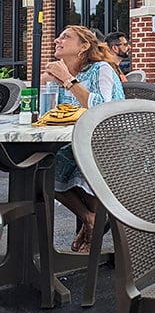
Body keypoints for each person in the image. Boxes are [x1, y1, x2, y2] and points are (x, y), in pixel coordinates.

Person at [45, 25, 125, 253]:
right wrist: (47, 82)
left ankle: (94, 224)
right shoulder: (61, 77)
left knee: (77, 162)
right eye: (58, 36)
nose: (57, 40)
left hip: (110, 142)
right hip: (73, 142)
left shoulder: (102, 69)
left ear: (84, 46)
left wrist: (68, 80)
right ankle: (91, 219)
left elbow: (103, 108)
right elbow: (53, 114)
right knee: (42, 163)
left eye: (65, 37)